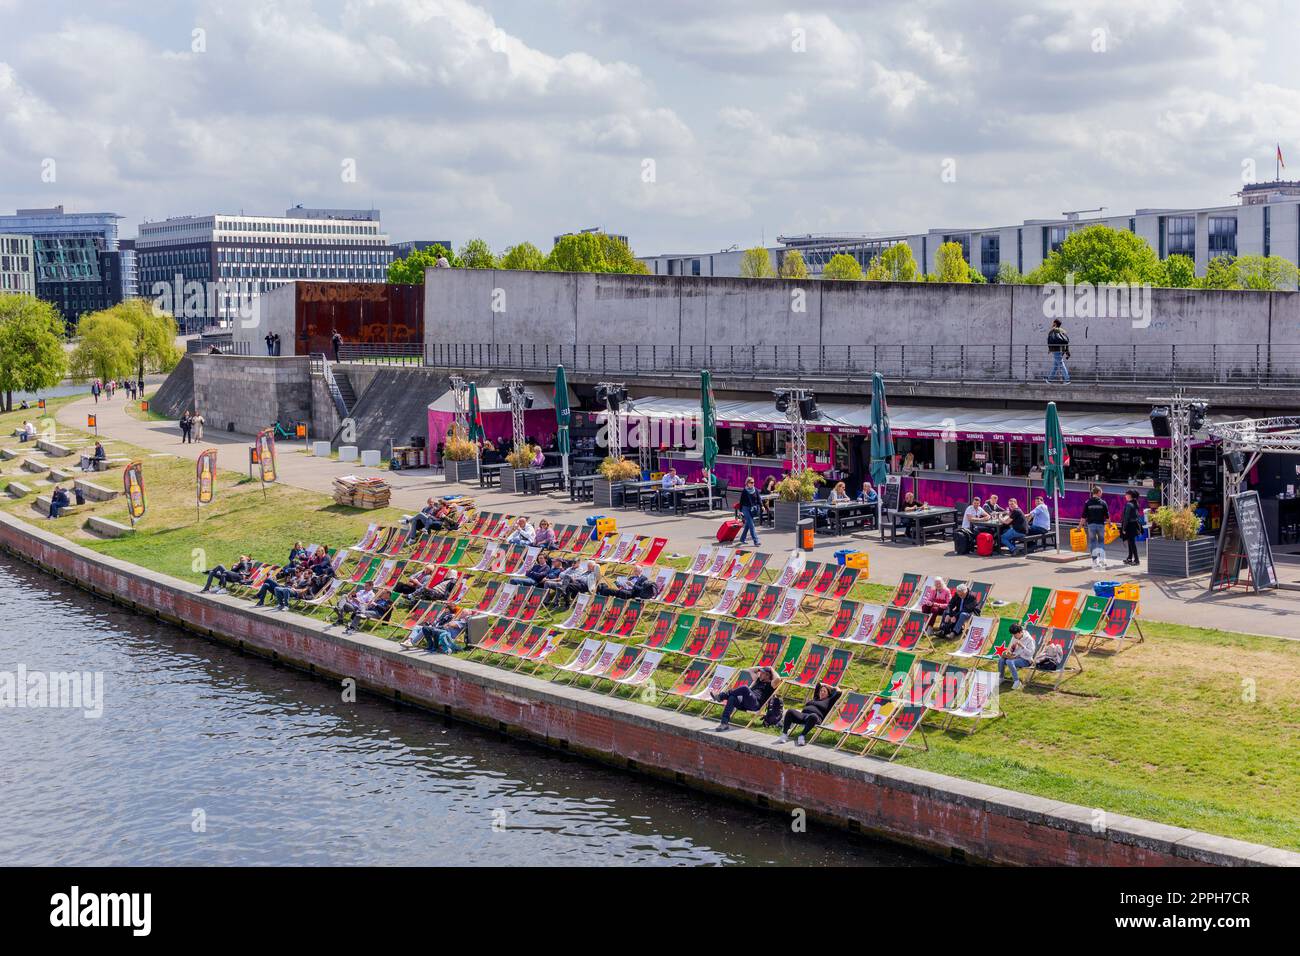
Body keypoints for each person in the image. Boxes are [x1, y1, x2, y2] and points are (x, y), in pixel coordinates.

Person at [712, 667, 778, 731]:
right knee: (732, 698)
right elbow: (751, 670)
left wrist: (771, 668)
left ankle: (722, 696)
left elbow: (778, 679)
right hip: (744, 703)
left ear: (767, 675)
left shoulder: (771, 684)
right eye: (760, 672)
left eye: (762, 673)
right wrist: (761, 668)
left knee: (745, 688)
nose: (760, 674)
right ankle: (724, 723)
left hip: (755, 704)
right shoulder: (758, 680)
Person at [777, 682, 842, 746]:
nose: (822, 692)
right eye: (821, 691)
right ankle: (784, 734)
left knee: (813, 716)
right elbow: (818, 684)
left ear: (828, 694)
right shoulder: (816, 698)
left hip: (815, 718)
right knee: (790, 711)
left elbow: (839, 692)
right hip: (803, 715)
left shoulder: (829, 700)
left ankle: (802, 736)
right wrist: (824, 685)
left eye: (824, 691)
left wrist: (831, 687)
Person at [1079, 486, 1111, 570]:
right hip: (1100, 525)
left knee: (1093, 543)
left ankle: (1094, 561)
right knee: (1101, 542)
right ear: (1098, 492)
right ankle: (1102, 561)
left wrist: (1080, 526)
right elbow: (1107, 516)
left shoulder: (1087, 502)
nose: (1102, 493)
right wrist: (1109, 524)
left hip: (1091, 525)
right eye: (1101, 492)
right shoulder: (1103, 503)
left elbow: (1083, 516)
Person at [997, 623, 1036, 690]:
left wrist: (1022, 646)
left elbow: (1031, 653)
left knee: (1009, 661)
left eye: (1015, 634)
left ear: (1020, 632)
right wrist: (1010, 651)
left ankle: (1017, 681)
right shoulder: (1014, 637)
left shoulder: (1029, 639)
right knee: (1001, 659)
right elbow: (1012, 649)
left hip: (1026, 660)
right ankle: (1001, 678)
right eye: (1012, 634)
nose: (1013, 636)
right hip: (1015, 657)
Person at [735, 477, 763, 547]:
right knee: (751, 525)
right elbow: (741, 501)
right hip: (745, 509)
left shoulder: (755, 490)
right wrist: (740, 511)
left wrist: (762, 506)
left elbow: (759, 499)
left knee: (748, 525)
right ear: (747, 483)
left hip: (753, 509)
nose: (753, 484)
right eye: (751, 482)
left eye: (753, 482)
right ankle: (756, 541)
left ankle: (742, 539)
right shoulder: (744, 491)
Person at [1121, 489, 1143, 566]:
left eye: (1126, 494)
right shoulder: (1135, 503)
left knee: (1132, 543)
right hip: (1134, 524)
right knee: (1131, 542)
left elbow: (1126, 517)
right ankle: (1130, 558)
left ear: (1130, 496)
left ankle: (1137, 560)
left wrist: (1123, 528)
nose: (1125, 496)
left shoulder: (1129, 504)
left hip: (1130, 525)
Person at [1046, 318, 1071, 384]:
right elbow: (1066, 342)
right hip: (1061, 350)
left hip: (1055, 350)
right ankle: (1049, 379)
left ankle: (1067, 379)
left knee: (1061, 365)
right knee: (1055, 365)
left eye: (1053, 322)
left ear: (1055, 323)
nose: (1052, 324)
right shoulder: (1063, 331)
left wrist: (1050, 349)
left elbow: (1050, 341)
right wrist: (1067, 351)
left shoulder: (1053, 330)